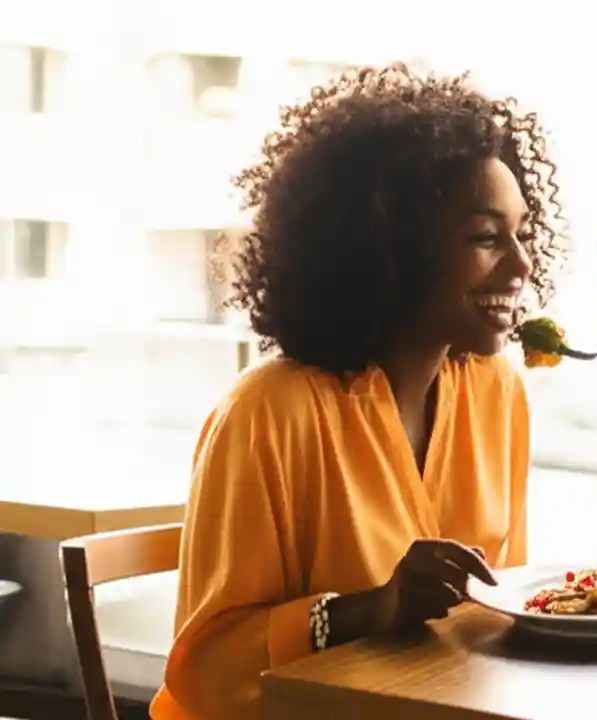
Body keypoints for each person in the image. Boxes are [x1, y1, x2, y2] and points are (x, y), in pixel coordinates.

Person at [150, 64, 566, 719]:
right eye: (487, 237)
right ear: (393, 247)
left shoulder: (496, 392)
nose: (521, 265)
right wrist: (372, 608)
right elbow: (208, 673)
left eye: (522, 232)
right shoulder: (269, 412)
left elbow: (493, 617)